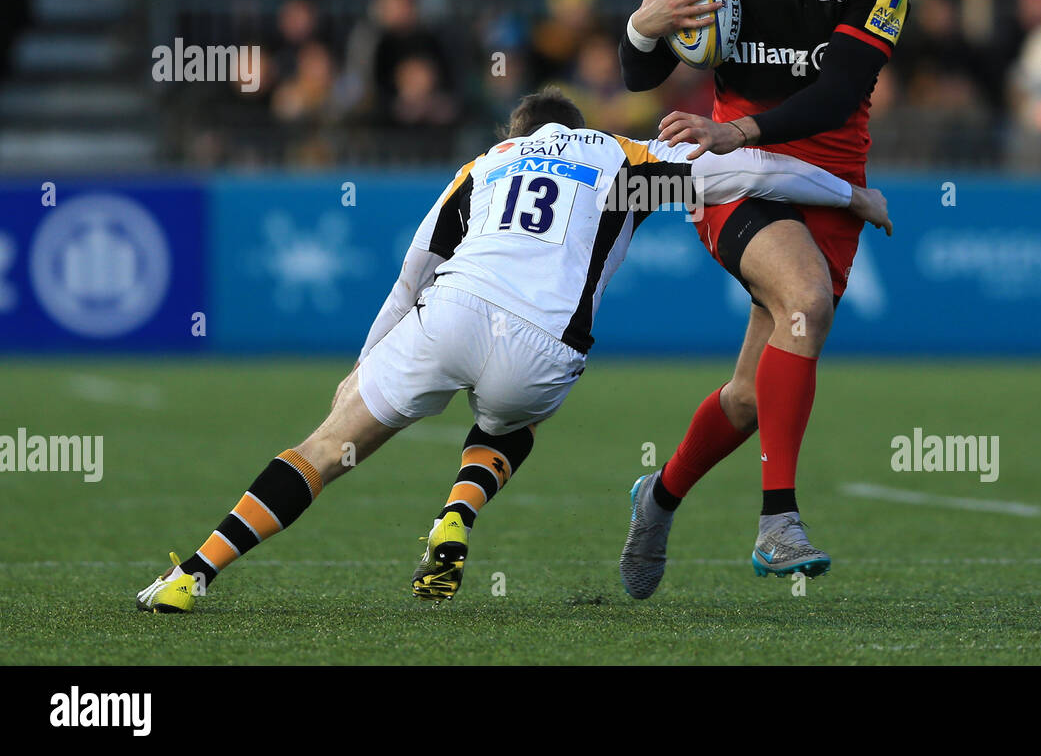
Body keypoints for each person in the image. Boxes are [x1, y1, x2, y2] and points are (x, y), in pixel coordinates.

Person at [136, 88, 891, 611]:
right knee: (509, 419)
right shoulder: (620, 160)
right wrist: (849, 193)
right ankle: (458, 511)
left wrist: (362, 367)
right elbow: (747, 171)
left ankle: (194, 571)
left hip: (453, 310)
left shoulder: (487, 164)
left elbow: (412, 274)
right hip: (543, 344)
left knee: (327, 448)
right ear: (571, 125)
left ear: (518, 128)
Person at [617, 0, 910, 595]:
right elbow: (640, 73)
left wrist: (739, 132)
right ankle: (778, 519)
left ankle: (660, 495)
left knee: (749, 395)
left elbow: (837, 93)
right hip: (735, 180)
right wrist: (646, 25)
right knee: (806, 295)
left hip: (821, 183)